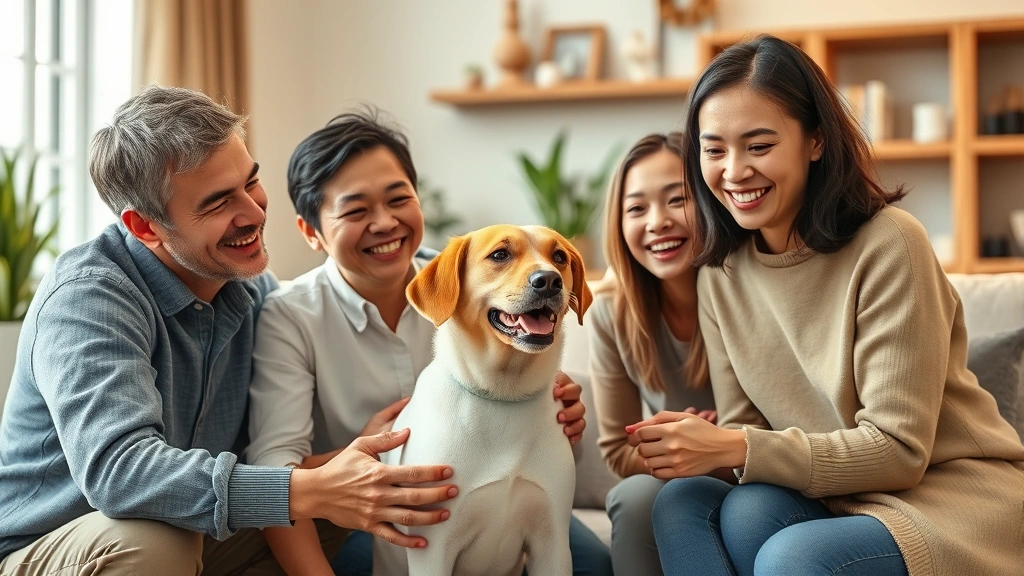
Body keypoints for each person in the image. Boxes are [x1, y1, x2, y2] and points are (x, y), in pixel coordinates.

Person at [0, 86, 459, 576]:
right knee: (154, 545)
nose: (256, 213)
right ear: (145, 227)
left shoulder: (253, 290)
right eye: (219, 203)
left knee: (351, 499)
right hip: (63, 542)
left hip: (197, 531)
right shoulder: (90, 298)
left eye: (251, 181)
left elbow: (272, 461)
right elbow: (120, 473)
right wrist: (305, 490)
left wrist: (479, 287)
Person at [641, 35, 1024, 575]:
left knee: (789, 557)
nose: (733, 171)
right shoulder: (720, 273)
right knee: (689, 505)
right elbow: (750, 436)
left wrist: (731, 446)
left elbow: (898, 451)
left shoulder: (891, 244)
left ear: (815, 142)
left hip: (950, 498)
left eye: (759, 146)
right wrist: (696, 444)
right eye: (714, 149)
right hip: (835, 495)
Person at [245, 109, 612, 576]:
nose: (384, 223)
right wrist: (365, 452)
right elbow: (277, 473)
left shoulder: (473, 274)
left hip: (505, 495)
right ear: (311, 231)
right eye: (356, 210)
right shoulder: (291, 316)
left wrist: (550, 404)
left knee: (596, 564)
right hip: (362, 517)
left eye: (399, 198)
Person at [586, 132, 719, 576]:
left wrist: (718, 446)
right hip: (675, 477)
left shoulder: (747, 289)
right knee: (633, 497)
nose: (657, 222)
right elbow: (619, 450)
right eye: (637, 208)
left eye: (677, 199)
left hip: (756, 466)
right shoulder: (610, 311)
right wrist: (684, 445)